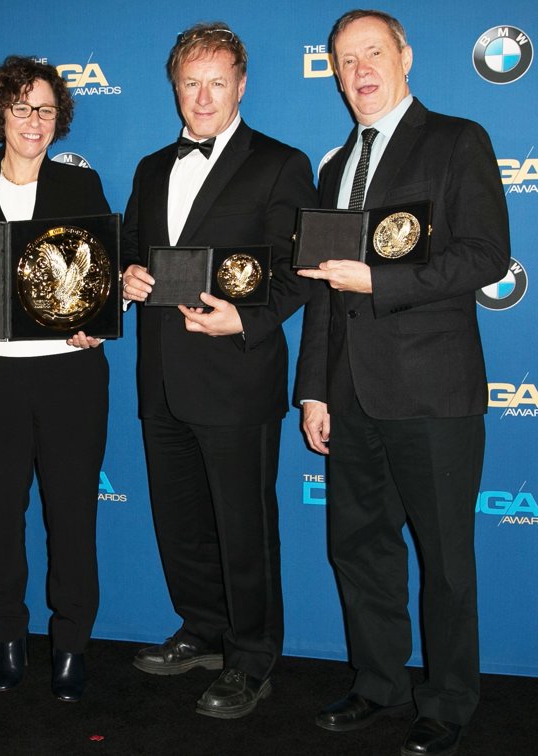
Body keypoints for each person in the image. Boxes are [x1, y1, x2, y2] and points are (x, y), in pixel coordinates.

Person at [295, 10, 510, 756]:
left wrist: (379, 281)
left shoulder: (456, 140)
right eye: (345, 59)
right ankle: (378, 683)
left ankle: (447, 702)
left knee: (445, 560)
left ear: (405, 56)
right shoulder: (334, 167)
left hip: (432, 391)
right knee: (360, 549)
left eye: (373, 53)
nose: (360, 70)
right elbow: (322, 291)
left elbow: (485, 254)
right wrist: (314, 388)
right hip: (350, 393)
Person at [121, 22, 316, 718]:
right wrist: (127, 276)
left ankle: (253, 658)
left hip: (236, 375)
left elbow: (301, 268)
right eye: (190, 83)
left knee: (243, 529)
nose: (202, 97)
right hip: (161, 379)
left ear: (241, 86)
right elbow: (129, 248)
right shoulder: (151, 167)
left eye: (216, 83)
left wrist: (248, 320)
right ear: (175, 87)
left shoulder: (281, 163)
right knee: (181, 523)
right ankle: (203, 631)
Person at [0, 55, 111, 702]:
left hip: (70, 374)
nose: (34, 121)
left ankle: (71, 645)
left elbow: (102, 276)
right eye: (21, 107)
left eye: (46, 109)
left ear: (59, 118)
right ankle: (8, 637)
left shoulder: (81, 185)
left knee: (72, 516)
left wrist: (98, 323)